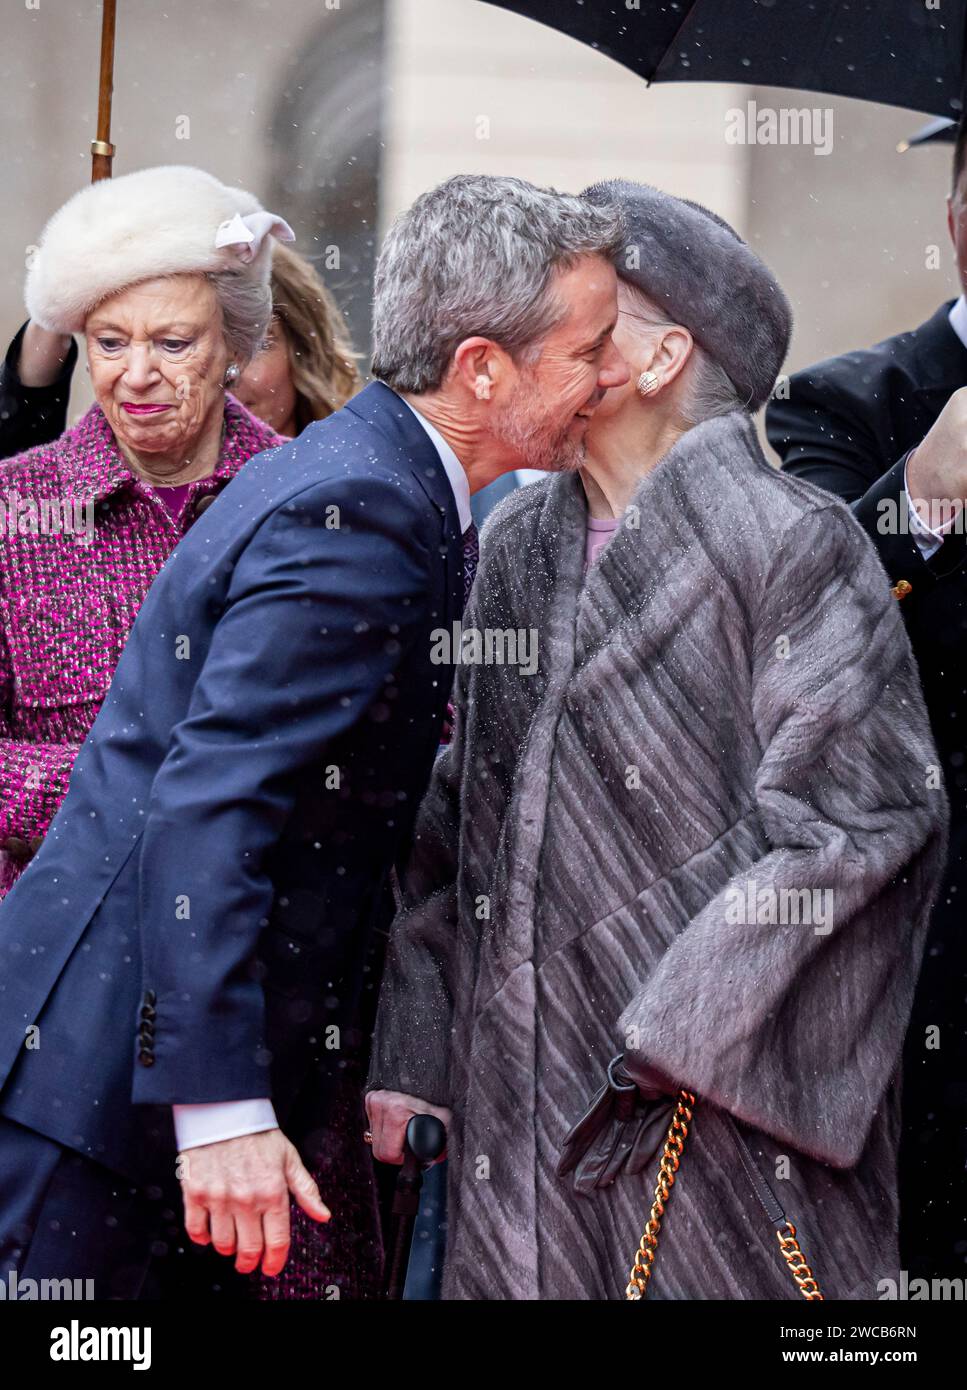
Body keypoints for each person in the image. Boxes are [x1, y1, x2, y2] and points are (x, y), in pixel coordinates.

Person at [0, 171, 628, 1298]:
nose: (608, 377)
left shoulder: (373, 476)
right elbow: (209, 801)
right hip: (103, 1097)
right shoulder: (368, 506)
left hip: (133, 1094)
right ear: (484, 367)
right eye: (586, 351)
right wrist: (222, 1109)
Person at [366, 178, 948, 1301]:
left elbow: (864, 827)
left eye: (591, 312)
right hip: (510, 1122)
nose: (554, 331)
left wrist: (668, 1035)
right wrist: (414, 1052)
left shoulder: (791, 542)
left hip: (710, 1126)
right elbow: (453, 824)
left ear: (664, 353)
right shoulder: (522, 537)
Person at [766, 118, 967, 1279]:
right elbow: (808, 648)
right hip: (920, 951)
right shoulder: (843, 404)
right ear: (952, 224)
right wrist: (927, 502)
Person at [0, 165, 296, 900]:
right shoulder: (13, 510)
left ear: (234, 346)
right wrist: (127, 795)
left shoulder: (313, 501)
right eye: (108, 343)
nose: (135, 376)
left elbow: (412, 735)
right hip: (54, 953)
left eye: (171, 343)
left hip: (264, 944)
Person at [0, 240, 361, 460]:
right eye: (178, 343)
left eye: (253, 344)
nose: (224, 369)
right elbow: (23, 434)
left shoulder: (348, 479)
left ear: (303, 353)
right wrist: (55, 302)